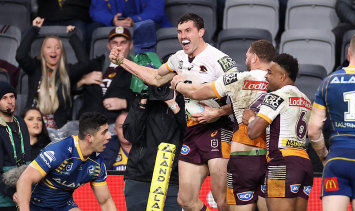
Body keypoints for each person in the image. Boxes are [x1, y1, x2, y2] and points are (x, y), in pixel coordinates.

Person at [110, 13, 237, 211]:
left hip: (216, 128)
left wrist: (219, 112)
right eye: (179, 31)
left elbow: (244, 97)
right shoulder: (178, 58)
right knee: (185, 201)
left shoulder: (220, 60)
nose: (182, 35)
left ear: (201, 32)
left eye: (188, 30)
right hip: (191, 132)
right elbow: (155, 78)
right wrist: (122, 61)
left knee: (221, 198)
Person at [170, 40, 276, 211]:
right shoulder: (280, 84)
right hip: (273, 155)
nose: (245, 57)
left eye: (248, 55)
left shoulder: (238, 78)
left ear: (255, 57)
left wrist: (178, 84)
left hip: (244, 154)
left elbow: (197, 92)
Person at [308, 31, 355, 211]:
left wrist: (324, 157)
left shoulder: (328, 82)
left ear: (348, 53)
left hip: (337, 159)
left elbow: (313, 130)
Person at [246, 53, 313, 211]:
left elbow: (253, 132)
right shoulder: (306, 100)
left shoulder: (276, 96)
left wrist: (250, 119)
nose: (266, 76)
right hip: (304, 165)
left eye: (270, 72)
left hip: (281, 164)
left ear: (282, 76)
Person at [16, 112, 117, 210]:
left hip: (63, 205)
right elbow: (25, 180)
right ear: (89, 137)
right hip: (36, 205)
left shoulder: (97, 163)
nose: (109, 136)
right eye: (104, 132)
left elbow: (106, 202)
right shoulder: (59, 151)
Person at [15, 17, 89, 129]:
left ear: (62, 52)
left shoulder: (67, 71)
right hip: (33, 125)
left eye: (57, 47)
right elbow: (20, 56)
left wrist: (73, 36)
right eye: (48, 47)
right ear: (42, 52)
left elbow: (85, 63)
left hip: (57, 128)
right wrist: (34, 29)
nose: (53, 51)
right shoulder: (35, 67)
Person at [123, 89, 185, 210]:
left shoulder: (184, 101)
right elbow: (131, 135)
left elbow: (191, 133)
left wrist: (173, 104)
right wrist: (143, 101)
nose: (162, 89)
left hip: (172, 180)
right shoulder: (142, 101)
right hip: (139, 177)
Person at [76, 26, 135, 124]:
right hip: (85, 122)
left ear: (131, 45)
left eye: (123, 42)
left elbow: (147, 100)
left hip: (114, 124)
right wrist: (82, 81)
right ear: (109, 46)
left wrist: (125, 103)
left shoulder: (136, 69)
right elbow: (69, 88)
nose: (118, 47)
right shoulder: (94, 64)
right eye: (114, 43)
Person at [0, 82, 31, 211]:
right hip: (5, 199)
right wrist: (11, 192)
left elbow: (27, 156)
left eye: (12, 97)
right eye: (4, 98)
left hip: (25, 190)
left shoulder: (21, 123)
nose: (10, 101)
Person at [89, 0, 172, 28]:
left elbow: (155, 11)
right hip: (113, 24)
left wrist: (134, 20)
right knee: (93, 28)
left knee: (149, 26)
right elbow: (97, 11)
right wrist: (112, 20)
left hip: (146, 23)